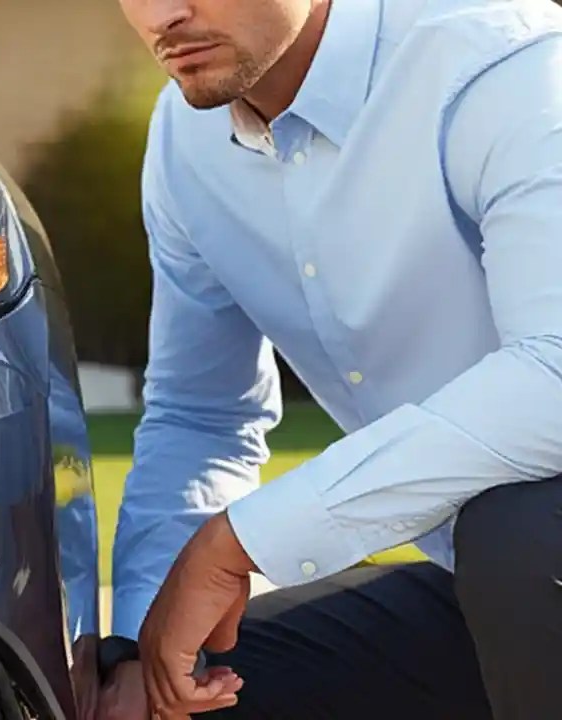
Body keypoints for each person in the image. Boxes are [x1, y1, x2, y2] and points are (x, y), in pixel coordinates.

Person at [96, 0, 562, 718]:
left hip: (532, 558)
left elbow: (554, 376)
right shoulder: (185, 140)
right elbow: (200, 415)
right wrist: (136, 650)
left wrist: (242, 540)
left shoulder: (508, 64)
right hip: (478, 594)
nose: (164, 14)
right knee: (199, 696)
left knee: (521, 532)